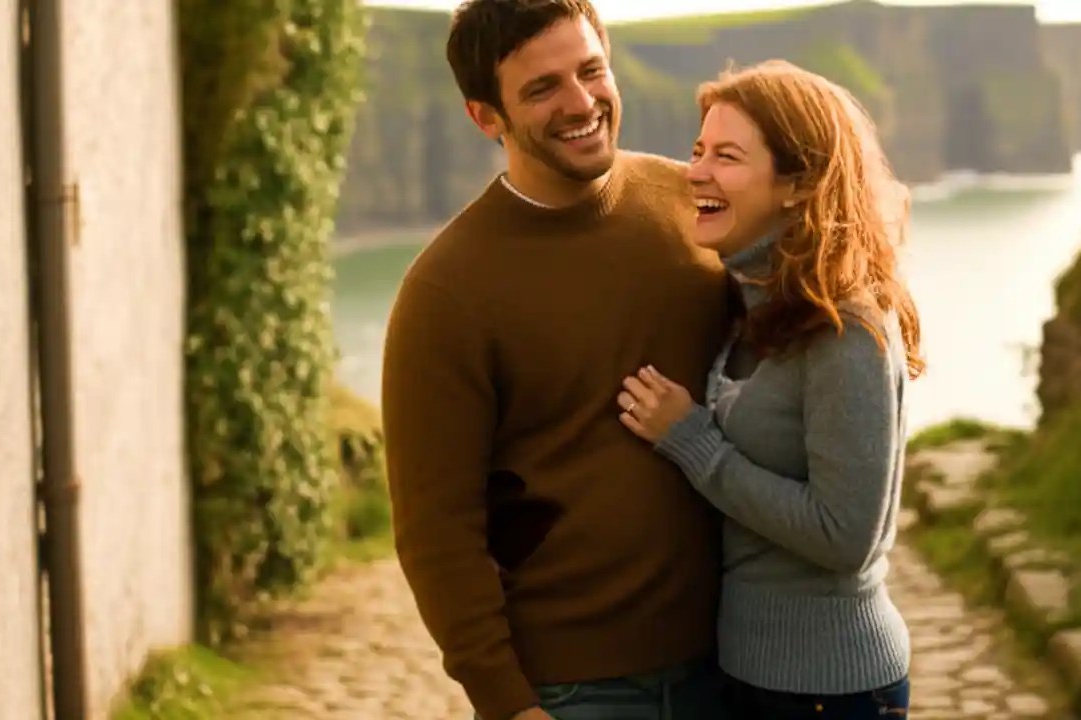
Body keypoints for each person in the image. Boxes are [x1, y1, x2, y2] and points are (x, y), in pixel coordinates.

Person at [379, 2, 732, 719]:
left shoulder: (692, 206)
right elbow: (436, 530)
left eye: (591, 71)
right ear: (487, 117)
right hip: (573, 693)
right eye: (542, 89)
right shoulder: (445, 291)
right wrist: (507, 703)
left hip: (737, 663)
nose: (581, 104)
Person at [616, 59, 923, 719]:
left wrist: (690, 441)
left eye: (726, 156)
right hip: (747, 676)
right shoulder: (751, 304)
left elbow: (845, 535)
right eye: (697, 150)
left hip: (829, 689)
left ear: (795, 183)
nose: (695, 171)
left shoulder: (847, 332)